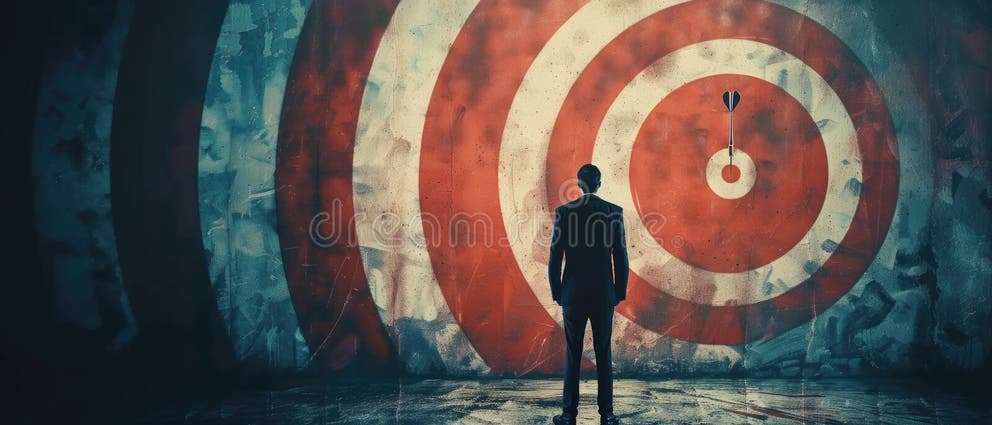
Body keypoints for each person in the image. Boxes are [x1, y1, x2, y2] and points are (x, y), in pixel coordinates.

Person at [549, 164, 628, 425]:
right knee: (603, 351)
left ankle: (569, 415)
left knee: (573, 352)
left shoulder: (564, 213)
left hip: (573, 294)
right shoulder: (614, 212)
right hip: (603, 293)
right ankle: (607, 414)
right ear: (599, 183)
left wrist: (558, 291)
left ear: (579, 183)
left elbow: (555, 257)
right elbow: (621, 256)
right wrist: (618, 292)